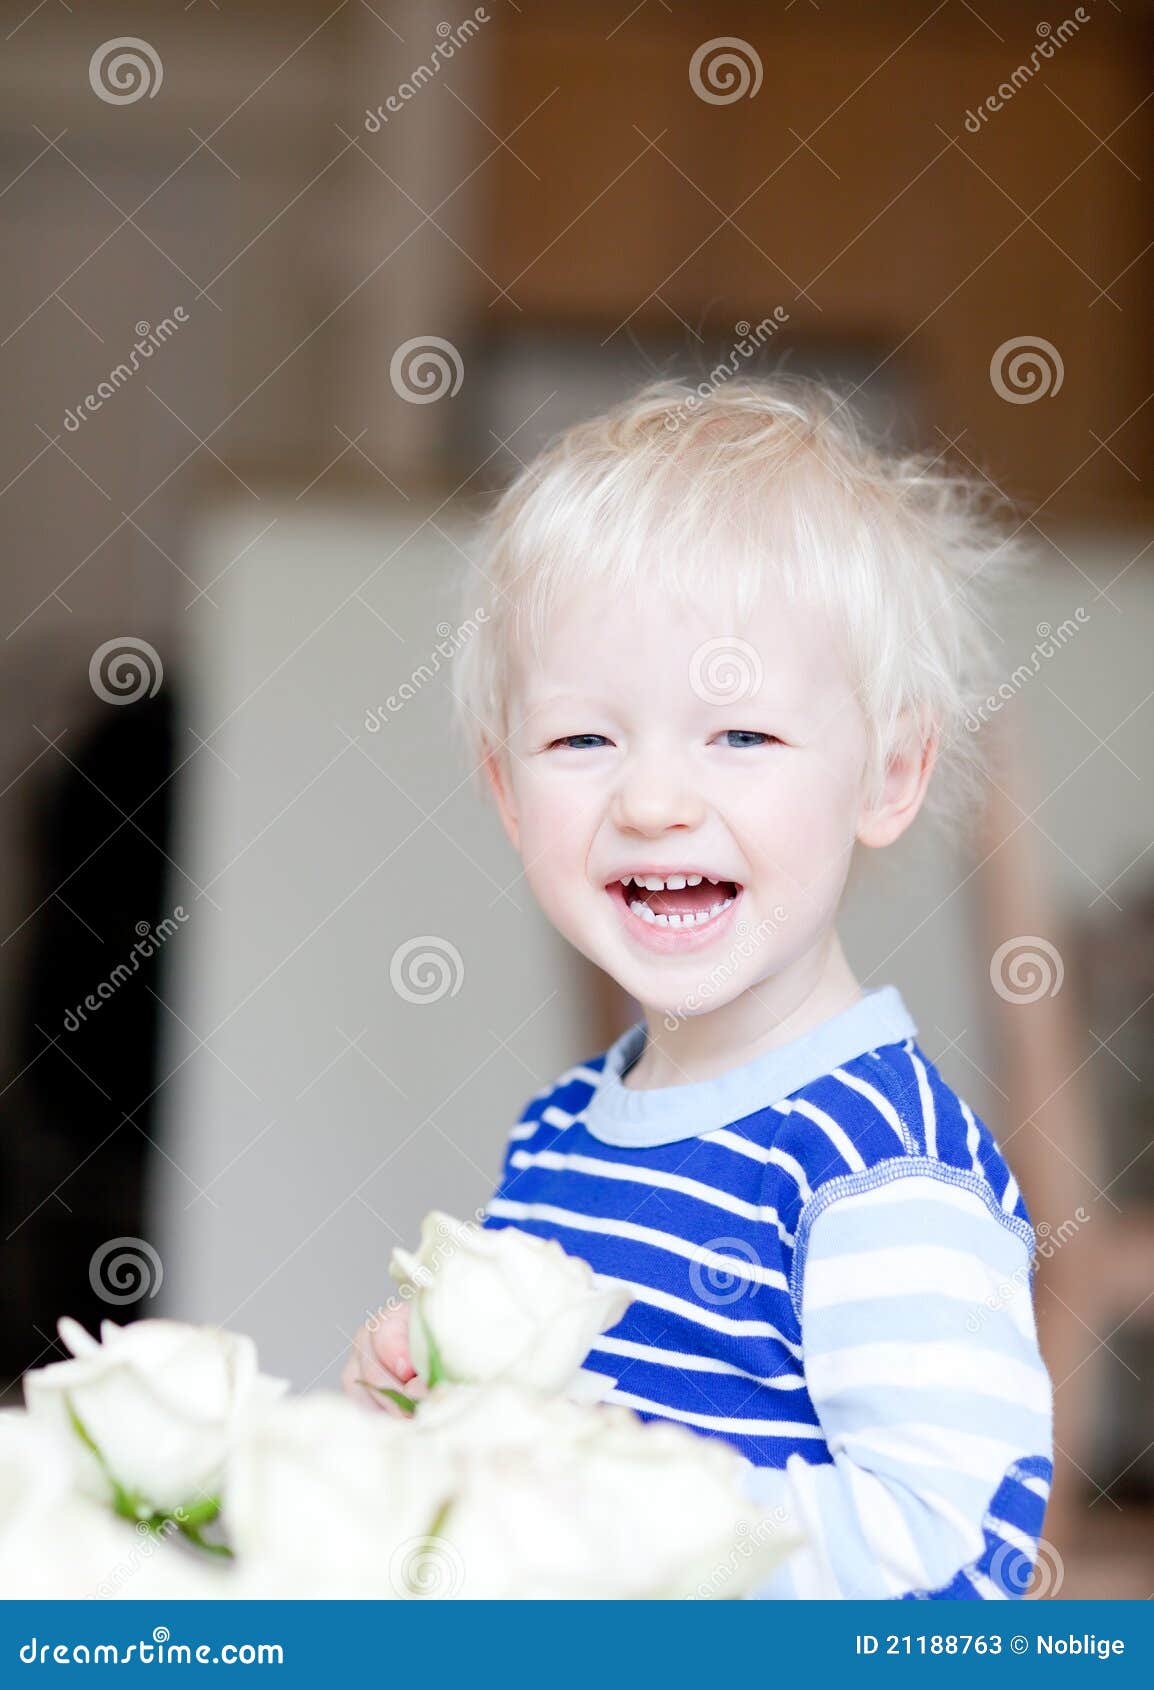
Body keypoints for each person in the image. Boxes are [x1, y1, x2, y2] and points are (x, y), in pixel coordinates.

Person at [342, 376, 1053, 1599]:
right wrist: (436, 1423)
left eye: (740, 736)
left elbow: (953, 1559)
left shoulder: (876, 1165)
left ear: (888, 775)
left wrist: (601, 1504)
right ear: (507, 792)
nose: (653, 799)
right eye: (582, 739)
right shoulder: (560, 1135)